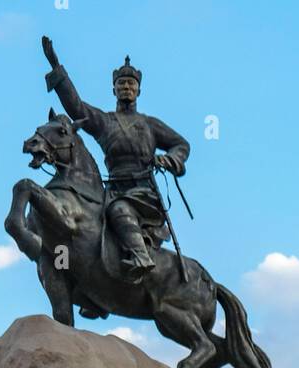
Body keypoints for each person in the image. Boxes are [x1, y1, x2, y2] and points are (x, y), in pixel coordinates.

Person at [42, 37, 190, 279]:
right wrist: (56, 68)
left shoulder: (150, 124)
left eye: (131, 84)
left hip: (142, 192)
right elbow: (77, 108)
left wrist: (169, 159)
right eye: (121, 83)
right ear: (114, 89)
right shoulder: (105, 122)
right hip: (111, 190)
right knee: (88, 219)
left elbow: (181, 144)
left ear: (139, 90)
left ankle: (141, 256)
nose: (126, 87)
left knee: (120, 209)